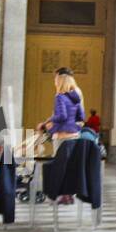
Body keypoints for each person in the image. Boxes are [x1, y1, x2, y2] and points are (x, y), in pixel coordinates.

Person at [36, 72, 85, 204]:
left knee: (60, 167)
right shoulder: (76, 97)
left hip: (63, 136)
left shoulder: (60, 97)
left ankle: (61, 195)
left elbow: (62, 116)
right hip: (74, 136)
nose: (55, 82)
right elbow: (81, 116)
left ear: (60, 82)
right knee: (70, 167)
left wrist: (47, 122)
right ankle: (68, 195)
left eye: (56, 80)